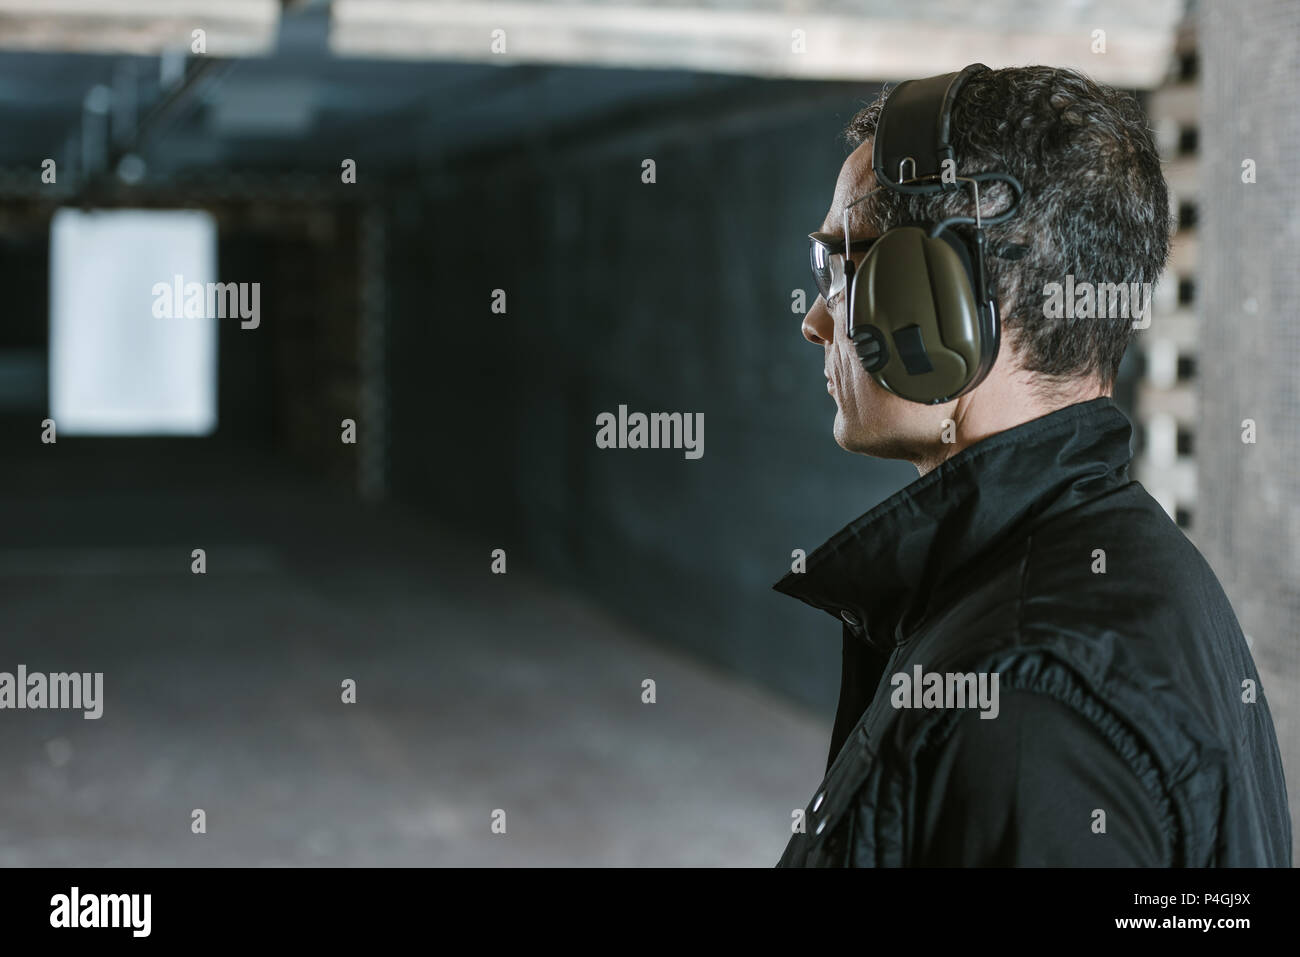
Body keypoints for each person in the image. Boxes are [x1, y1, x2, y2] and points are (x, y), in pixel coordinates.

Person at [775, 65, 1290, 866]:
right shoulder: (1120, 565)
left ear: (933, 296)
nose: (815, 319)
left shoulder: (1025, 702)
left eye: (841, 266)